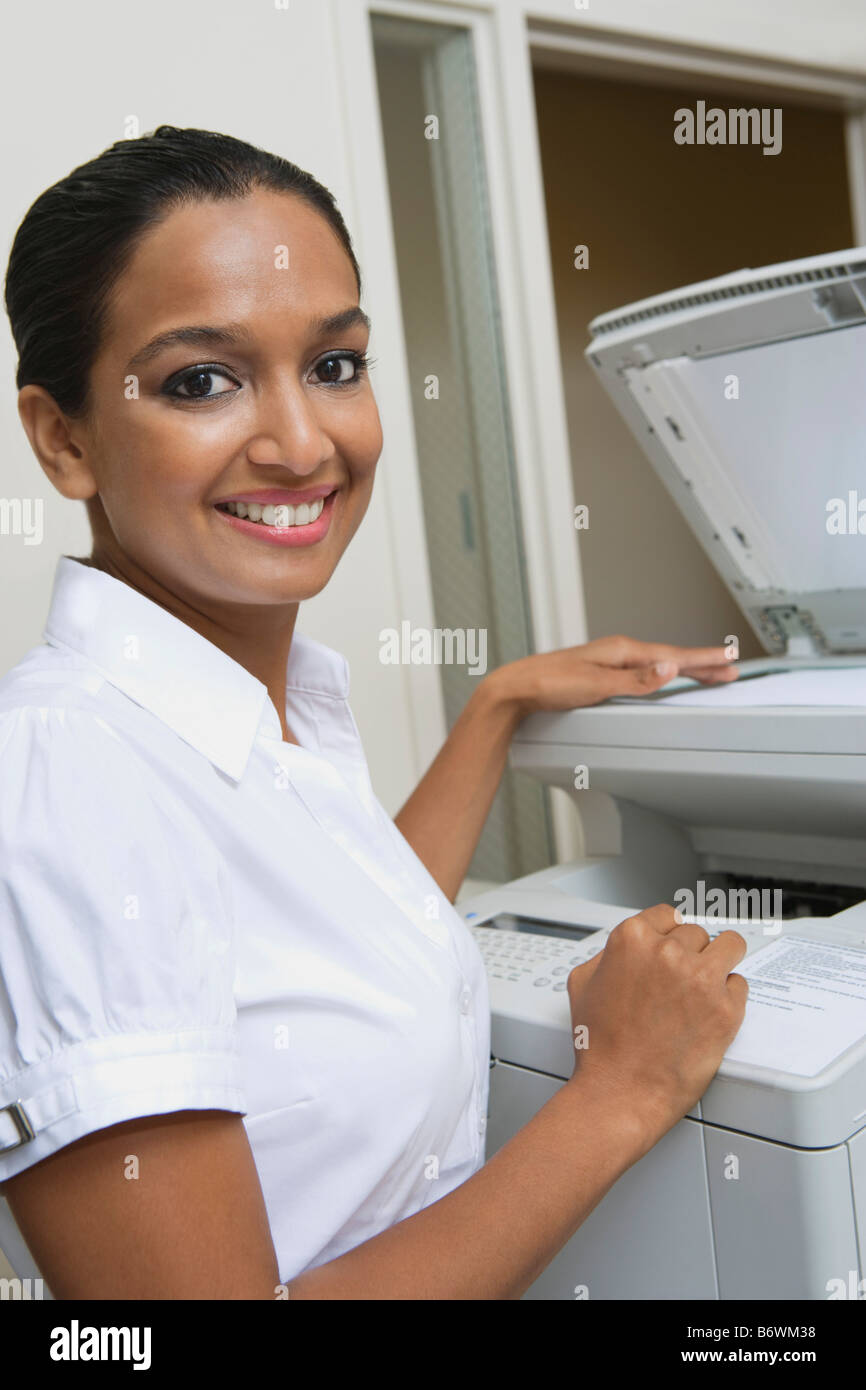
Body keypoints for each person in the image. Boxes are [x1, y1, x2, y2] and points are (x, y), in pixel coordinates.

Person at [0, 126, 747, 1300]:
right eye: (202, 380)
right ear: (64, 438)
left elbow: (333, 942)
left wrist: (494, 709)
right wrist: (621, 1093)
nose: (302, 445)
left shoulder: (245, 704)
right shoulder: (72, 772)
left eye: (335, 365)